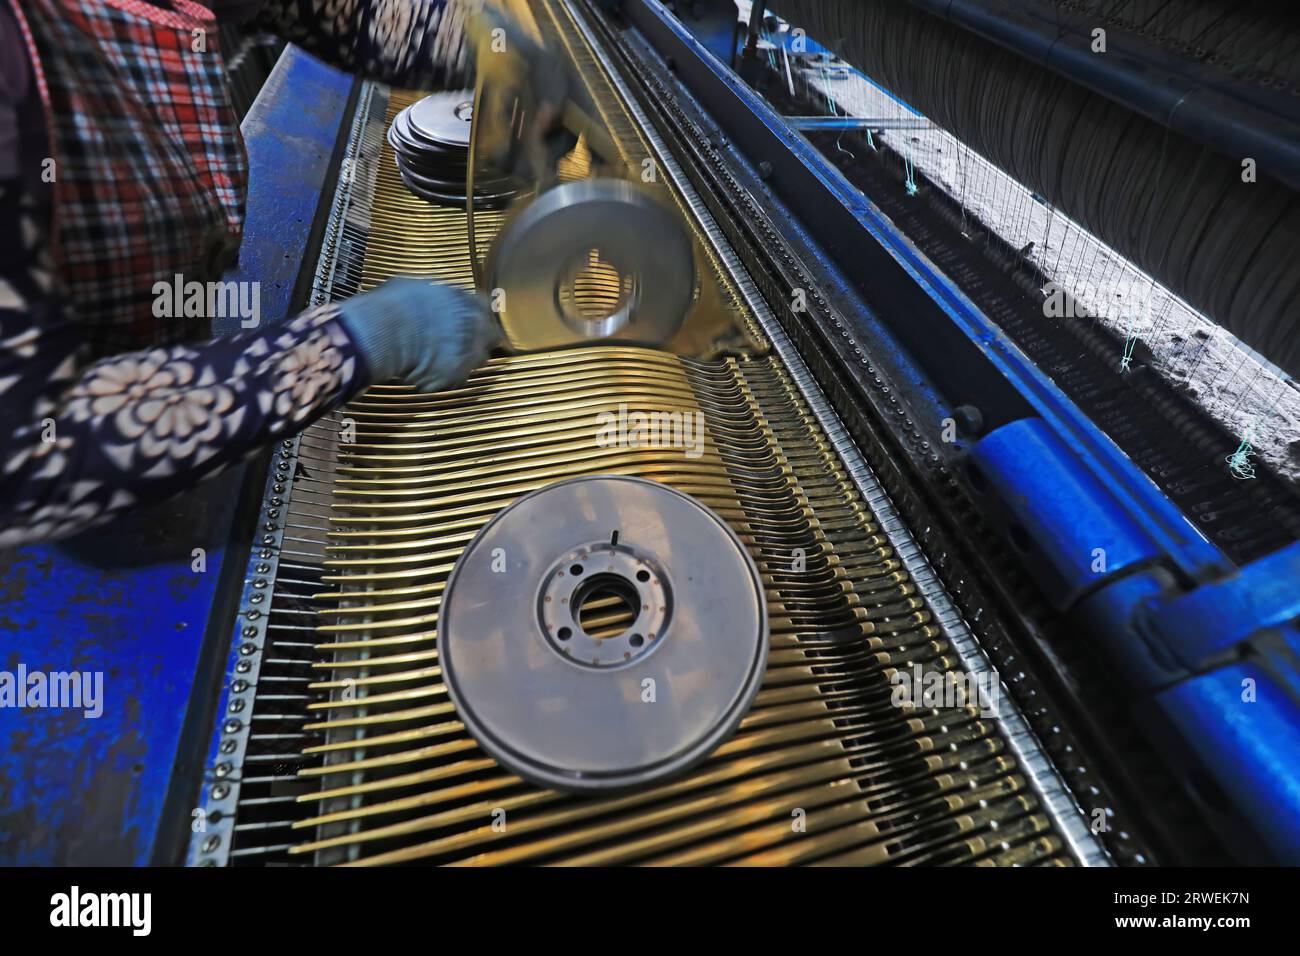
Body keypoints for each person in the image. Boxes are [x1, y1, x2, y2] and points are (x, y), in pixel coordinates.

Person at [0, 0, 572, 548]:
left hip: (167, 306)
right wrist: (353, 342)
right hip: (82, 459)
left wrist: (474, 43)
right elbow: (26, 456)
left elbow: (338, 11)